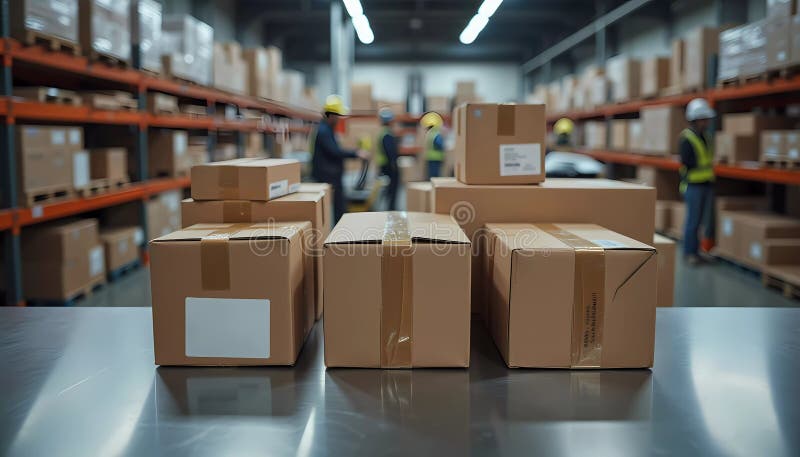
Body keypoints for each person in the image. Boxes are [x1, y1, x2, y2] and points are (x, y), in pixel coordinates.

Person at [311, 94, 370, 222]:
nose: (339, 119)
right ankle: (340, 236)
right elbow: (335, 152)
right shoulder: (324, 131)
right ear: (331, 115)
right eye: (338, 116)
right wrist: (356, 153)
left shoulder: (327, 129)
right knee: (339, 209)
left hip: (332, 176)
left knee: (340, 208)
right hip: (328, 177)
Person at [680, 98, 717, 265]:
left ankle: (697, 251)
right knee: (693, 222)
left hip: (706, 184)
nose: (707, 122)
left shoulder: (706, 137)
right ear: (695, 119)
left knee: (701, 222)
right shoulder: (687, 138)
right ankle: (689, 253)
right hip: (693, 186)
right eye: (704, 119)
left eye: (707, 119)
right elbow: (687, 162)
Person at [375, 107, 399, 210]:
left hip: (384, 166)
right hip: (388, 166)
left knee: (387, 191)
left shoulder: (382, 132)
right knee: (391, 191)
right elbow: (390, 152)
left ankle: (388, 210)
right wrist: (394, 165)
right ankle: (391, 211)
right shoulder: (387, 134)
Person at [420, 112, 445, 178]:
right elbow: (440, 145)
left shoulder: (429, 133)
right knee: (435, 176)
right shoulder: (436, 133)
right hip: (436, 158)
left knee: (431, 175)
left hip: (430, 157)